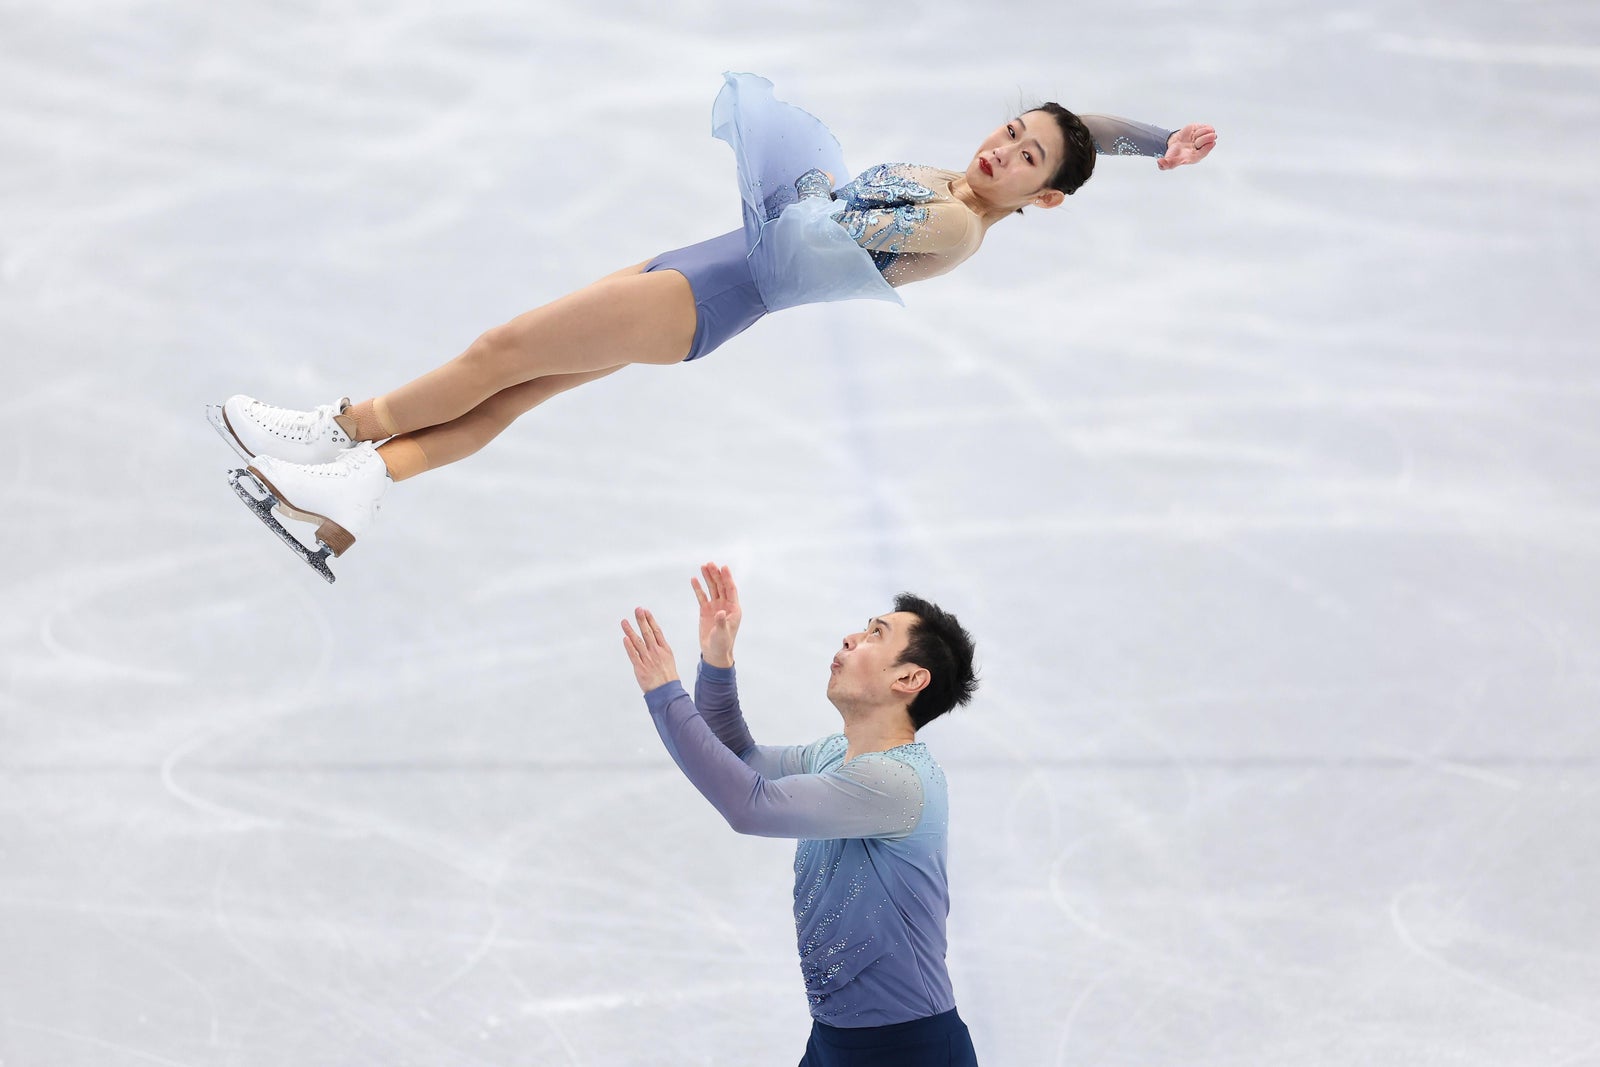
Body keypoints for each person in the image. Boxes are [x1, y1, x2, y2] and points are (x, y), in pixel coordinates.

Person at [212, 73, 1217, 558]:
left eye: (1028, 159)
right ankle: (356, 495)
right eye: (1009, 129)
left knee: (501, 349)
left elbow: (828, 234)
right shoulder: (965, 182)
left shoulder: (957, 224)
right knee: (518, 385)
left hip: (716, 292)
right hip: (703, 267)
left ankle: (339, 429)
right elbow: (1077, 128)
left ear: (1043, 199)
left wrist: (807, 185)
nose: (1005, 148)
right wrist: (1157, 138)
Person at [620, 563, 983, 1066]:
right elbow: (740, 759)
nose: (852, 637)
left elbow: (749, 805)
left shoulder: (900, 784)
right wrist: (717, 659)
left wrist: (666, 694)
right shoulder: (835, 755)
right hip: (834, 1043)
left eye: (876, 634)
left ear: (909, 678)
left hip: (907, 1049)